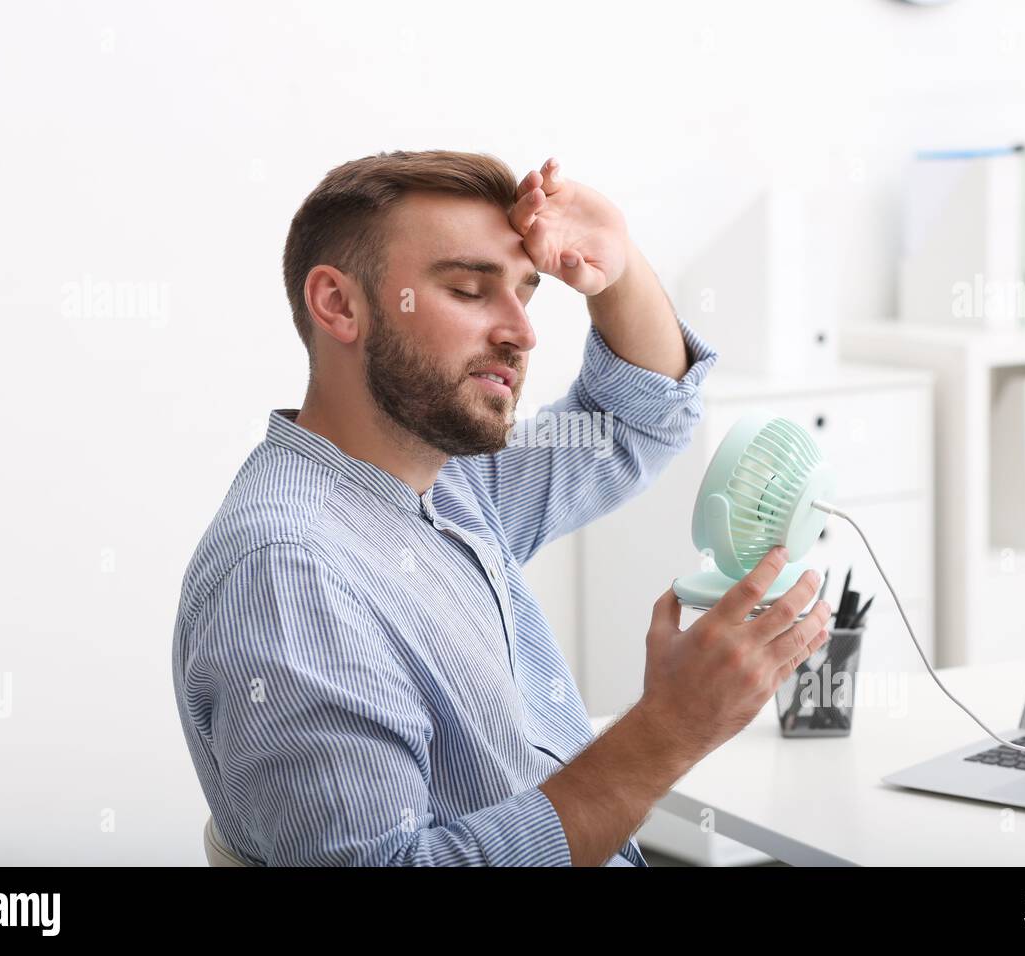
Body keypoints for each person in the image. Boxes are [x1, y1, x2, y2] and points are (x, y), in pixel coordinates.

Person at [172, 149, 831, 866]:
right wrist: (668, 732)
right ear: (338, 304)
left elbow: (638, 417)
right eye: (468, 289)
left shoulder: (442, 478)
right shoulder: (294, 575)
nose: (522, 331)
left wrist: (619, 264)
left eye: (525, 292)